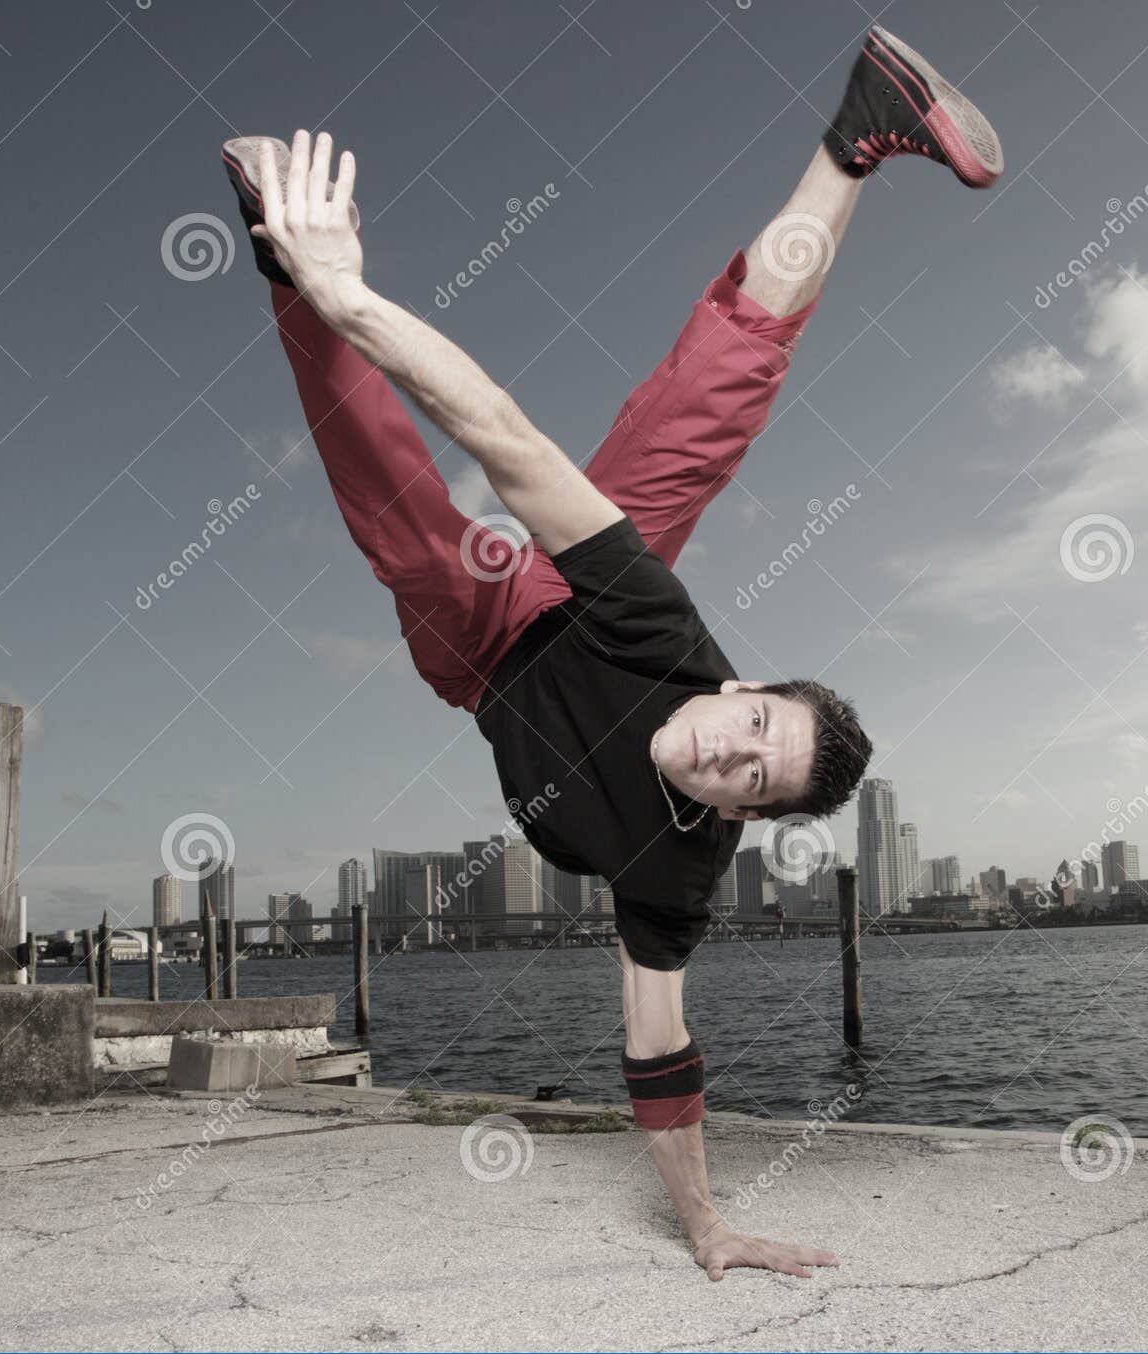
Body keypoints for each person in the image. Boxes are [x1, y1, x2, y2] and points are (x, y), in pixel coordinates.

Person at [220, 25, 1001, 1279]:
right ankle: (855, 137)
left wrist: (707, 1227)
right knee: (710, 399)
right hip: (576, 601)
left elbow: (659, 1048)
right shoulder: (667, 639)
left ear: (745, 820)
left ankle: (275, 261)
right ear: (739, 690)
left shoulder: (673, 879)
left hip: (483, 655)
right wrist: (351, 288)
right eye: (750, 725)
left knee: (420, 547)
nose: (722, 751)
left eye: (750, 779)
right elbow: (511, 444)